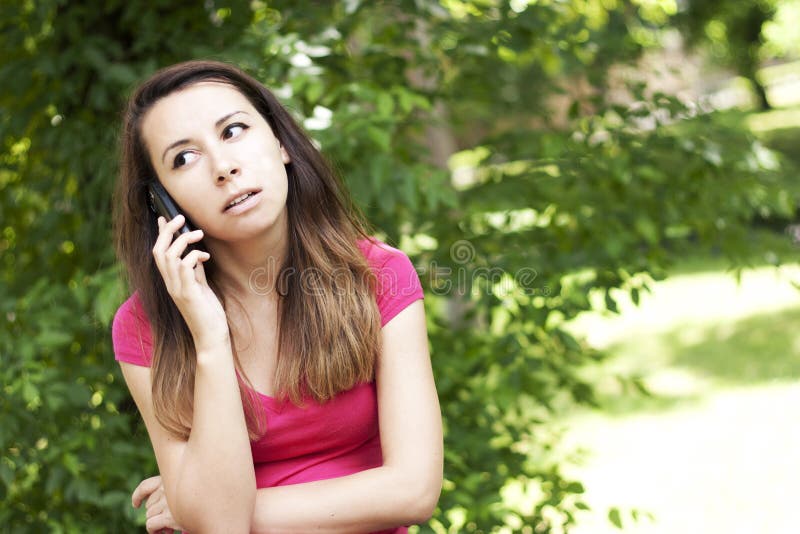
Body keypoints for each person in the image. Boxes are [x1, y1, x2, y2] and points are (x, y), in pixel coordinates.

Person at [110, 59, 443, 533]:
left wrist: (201, 510)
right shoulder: (144, 326)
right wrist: (210, 337)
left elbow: (414, 491)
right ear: (163, 201)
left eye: (233, 131)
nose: (224, 167)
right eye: (184, 158)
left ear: (281, 141)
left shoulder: (379, 275)